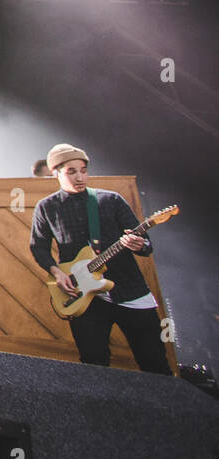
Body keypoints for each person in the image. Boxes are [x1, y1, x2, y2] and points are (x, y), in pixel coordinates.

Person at [28, 143, 172, 375]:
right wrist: (57, 273)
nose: (80, 176)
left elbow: (146, 246)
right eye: (71, 171)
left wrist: (138, 244)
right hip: (83, 298)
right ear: (55, 172)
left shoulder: (110, 200)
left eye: (83, 170)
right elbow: (38, 247)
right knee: (94, 369)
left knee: (155, 364)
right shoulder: (46, 207)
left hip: (129, 291)